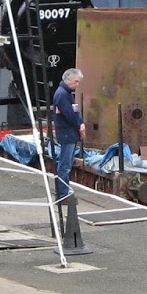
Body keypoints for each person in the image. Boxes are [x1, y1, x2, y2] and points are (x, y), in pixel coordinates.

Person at [52, 67, 84, 203]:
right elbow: (69, 113)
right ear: (68, 79)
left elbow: (75, 110)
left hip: (70, 133)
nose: (77, 85)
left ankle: (63, 192)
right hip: (67, 133)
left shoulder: (67, 94)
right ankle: (62, 194)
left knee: (67, 163)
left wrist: (80, 122)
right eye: (76, 82)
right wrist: (79, 125)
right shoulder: (62, 95)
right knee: (64, 165)